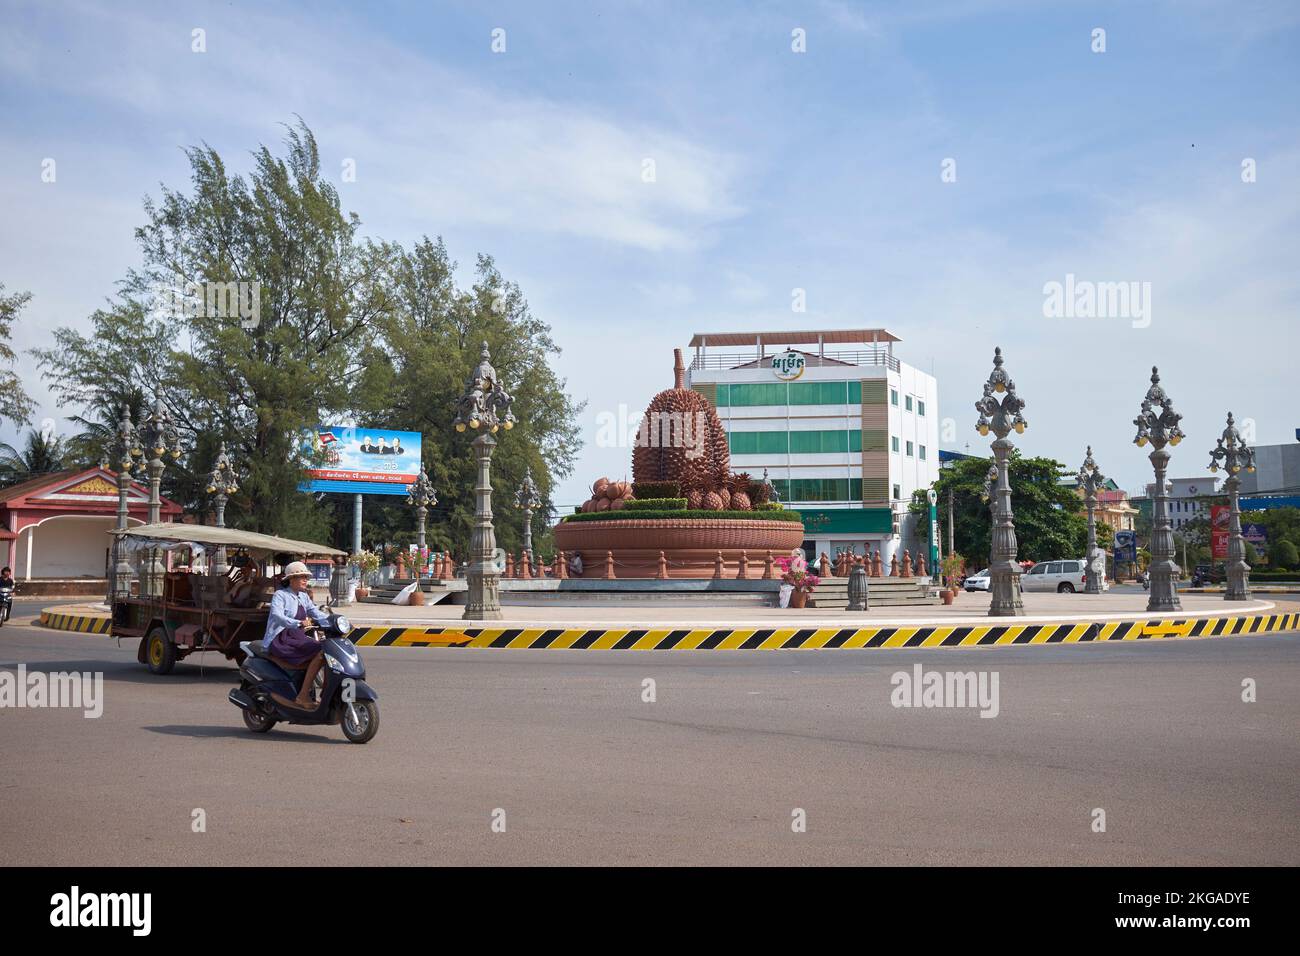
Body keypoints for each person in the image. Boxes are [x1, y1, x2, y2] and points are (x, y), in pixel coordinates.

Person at [263, 561, 331, 709]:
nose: (305, 579)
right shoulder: (280, 595)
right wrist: (298, 623)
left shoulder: (303, 596)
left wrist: (336, 620)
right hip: (282, 638)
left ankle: (326, 694)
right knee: (321, 652)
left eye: (306, 576)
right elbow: (277, 615)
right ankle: (302, 696)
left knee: (327, 651)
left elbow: (315, 612)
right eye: (301, 577)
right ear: (291, 579)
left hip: (297, 636)